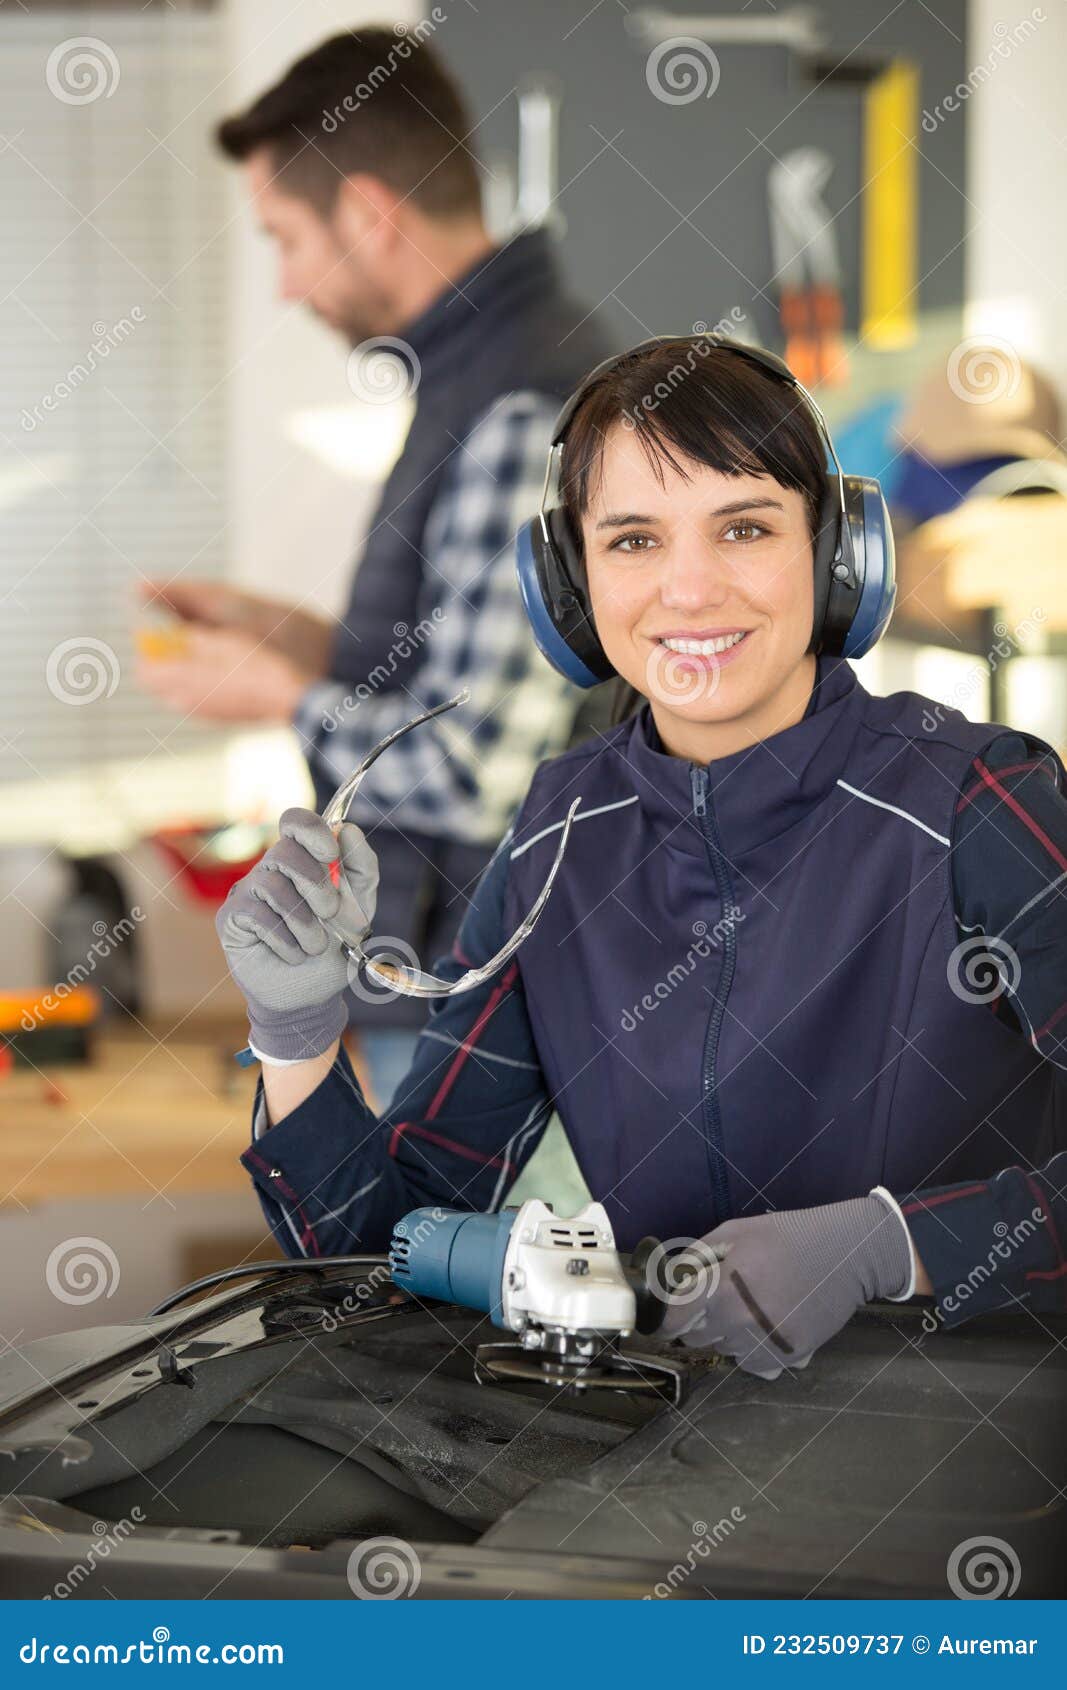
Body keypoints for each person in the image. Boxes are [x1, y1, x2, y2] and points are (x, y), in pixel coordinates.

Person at [216, 335, 1067, 1377]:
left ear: (835, 554)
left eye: (743, 527)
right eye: (631, 541)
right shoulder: (558, 837)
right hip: (666, 1463)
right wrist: (298, 1032)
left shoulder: (975, 800)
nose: (689, 589)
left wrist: (893, 1247)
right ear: (568, 586)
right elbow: (390, 1249)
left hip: (976, 1471)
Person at [136, 28, 613, 1108]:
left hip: (478, 1009)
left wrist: (281, 696)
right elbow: (444, 673)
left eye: (285, 239)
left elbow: (473, 768)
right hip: (447, 993)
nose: (287, 286)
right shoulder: (477, 371)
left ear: (366, 214)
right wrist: (291, 640)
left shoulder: (519, 403)